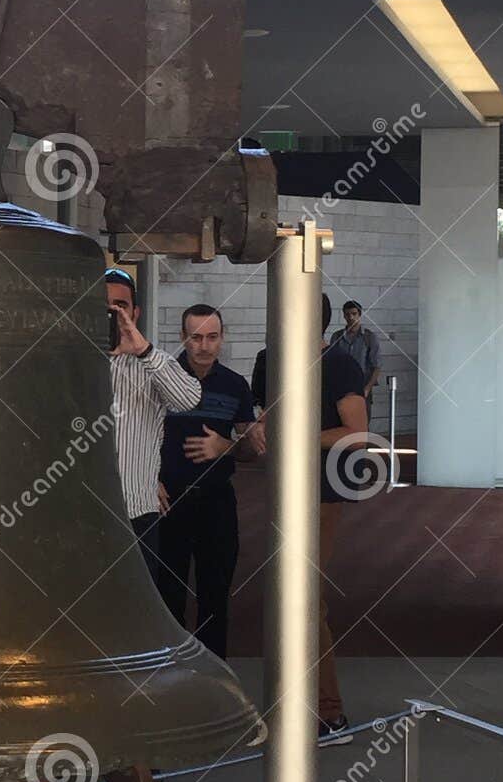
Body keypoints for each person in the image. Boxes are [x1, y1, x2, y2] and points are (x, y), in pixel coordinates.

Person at [253, 295, 368, 745]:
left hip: (320, 496)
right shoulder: (268, 360)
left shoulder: (339, 365)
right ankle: (290, 706)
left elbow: (356, 435)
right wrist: (259, 432)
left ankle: (330, 716)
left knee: (307, 602)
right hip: (282, 493)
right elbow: (263, 421)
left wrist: (296, 434)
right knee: (284, 600)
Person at [156, 305, 259, 661]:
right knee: (166, 595)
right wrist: (147, 479)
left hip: (216, 503)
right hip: (167, 502)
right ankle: (168, 677)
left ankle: (216, 679)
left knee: (215, 597)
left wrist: (224, 446)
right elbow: (134, 435)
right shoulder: (162, 378)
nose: (204, 346)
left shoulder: (235, 385)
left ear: (222, 338)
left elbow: (251, 450)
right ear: (183, 338)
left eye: (212, 337)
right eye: (196, 337)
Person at [104, 268, 200, 588]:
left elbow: (188, 398)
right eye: (103, 306)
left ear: (135, 312)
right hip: (83, 516)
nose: (113, 313)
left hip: (137, 513)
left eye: (121, 305)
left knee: (139, 615)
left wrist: (143, 350)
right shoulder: (70, 362)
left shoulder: (153, 363)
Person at [330, 300, 383, 408]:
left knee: (363, 423)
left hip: (362, 387)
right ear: (344, 316)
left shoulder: (369, 337)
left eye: (354, 314)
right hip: (341, 388)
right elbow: (332, 364)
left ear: (359, 315)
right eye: (348, 314)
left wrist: (367, 389)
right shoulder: (336, 337)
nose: (351, 317)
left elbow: (377, 366)